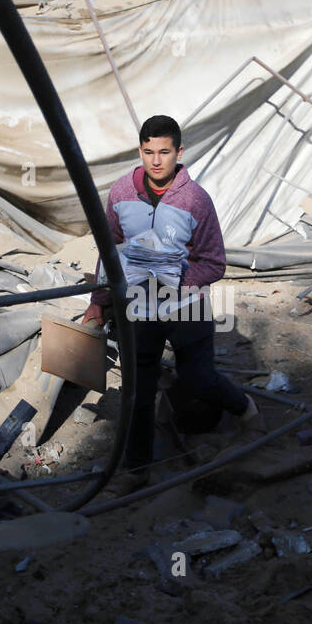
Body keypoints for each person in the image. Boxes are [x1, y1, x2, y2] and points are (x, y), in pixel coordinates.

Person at [84, 114, 260, 497]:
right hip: (139, 312)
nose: (156, 161)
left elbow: (214, 261)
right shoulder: (120, 194)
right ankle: (136, 470)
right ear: (140, 152)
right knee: (138, 392)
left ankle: (245, 409)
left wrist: (174, 280)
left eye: (164, 152)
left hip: (187, 308)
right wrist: (98, 302)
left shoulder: (196, 199)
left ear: (179, 152)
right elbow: (110, 254)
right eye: (149, 152)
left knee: (199, 378)